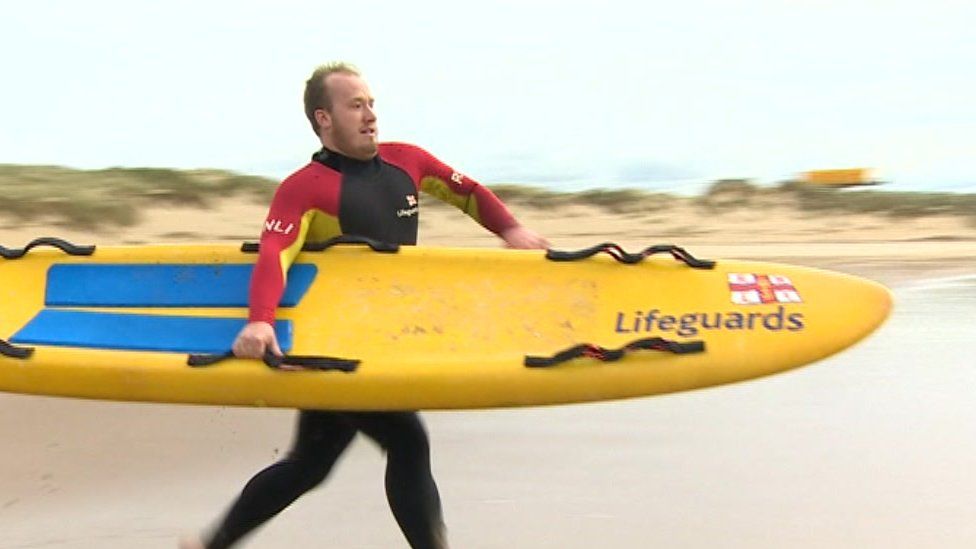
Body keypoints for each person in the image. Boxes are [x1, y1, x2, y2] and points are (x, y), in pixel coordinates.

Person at [180, 62, 547, 549]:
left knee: (310, 463)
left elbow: (467, 192)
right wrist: (260, 323)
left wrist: (511, 231)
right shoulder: (304, 188)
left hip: (386, 340)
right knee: (407, 440)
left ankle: (211, 544)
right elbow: (275, 253)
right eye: (355, 105)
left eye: (371, 103)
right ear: (324, 118)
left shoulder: (407, 162)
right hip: (332, 346)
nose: (370, 114)